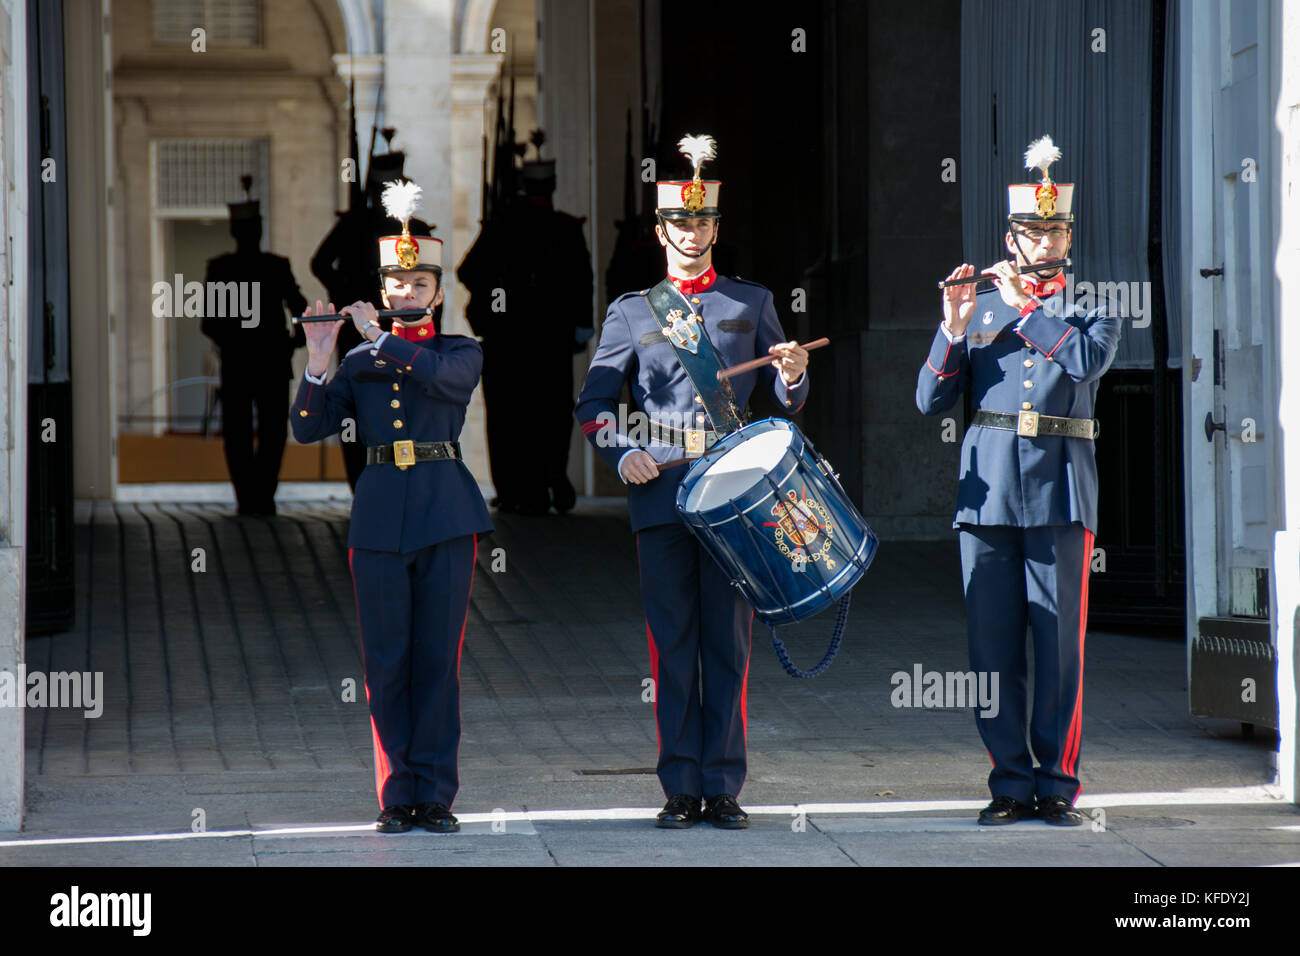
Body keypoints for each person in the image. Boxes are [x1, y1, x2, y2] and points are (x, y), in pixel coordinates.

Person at [574, 135, 809, 829]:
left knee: (727, 646)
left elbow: (787, 394)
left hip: (734, 496)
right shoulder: (631, 312)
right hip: (663, 494)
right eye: (681, 223)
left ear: (715, 228)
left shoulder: (751, 300)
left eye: (704, 222)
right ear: (661, 230)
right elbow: (593, 405)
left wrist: (792, 374)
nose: (693, 233)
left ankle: (724, 784)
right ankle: (681, 784)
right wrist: (621, 454)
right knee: (672, 645)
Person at [915, 136, 1122, 826]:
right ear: (1012, 236)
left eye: (1055, 229)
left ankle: (1057, 783)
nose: (1044, 241)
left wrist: (1028, 313)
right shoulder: (975, 305)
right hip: (992, 492)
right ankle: (1008, 781)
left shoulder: (1094, 301)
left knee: (1060, 646)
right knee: (991, 646)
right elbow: (929, 402)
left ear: (1068, 235)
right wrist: (951, 330)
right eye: (1032, 231)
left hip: (1062, 492)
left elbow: (1086, 363)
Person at [291, 180, 493, 833]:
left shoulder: (460, 351)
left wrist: (378, 339)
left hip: (445, 514)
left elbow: (438, 381)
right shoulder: (356, 360)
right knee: (387, 662)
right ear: (383, 290)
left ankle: (434, 793)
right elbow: (307, 428)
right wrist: (319, 362)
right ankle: (394, 794)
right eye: (395, 286)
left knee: (437, 660)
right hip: (379, 516)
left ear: (437, 291)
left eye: (418, 285)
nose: (406, 294)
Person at [459, 152, 594, 514]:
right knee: (551, 413)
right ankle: (552, 475)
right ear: (551, 187)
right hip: (552, 341)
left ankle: (517, 490)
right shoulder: (566, 227)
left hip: (508, 340)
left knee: (508, 417)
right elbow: (583, 282)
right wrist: (580, 330)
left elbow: (467, 272)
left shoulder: (502, 226)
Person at [310, 147, 436, 491]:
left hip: (372, 328)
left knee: (360, 405)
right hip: (396, 328)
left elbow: (320, 263)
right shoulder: (415, 227)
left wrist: (347, 296)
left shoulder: (354, 223)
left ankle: (363, 484)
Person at [201, 179, 307, 516]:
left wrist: (230, 342)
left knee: (239, 431)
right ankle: (262, 494)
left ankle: (248, 496)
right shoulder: (276, 266)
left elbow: (208, 322)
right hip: (273, 360)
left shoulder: (221, 268)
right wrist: (295, 341)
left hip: (238, 362)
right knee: (273, 429)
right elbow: (300, 308)